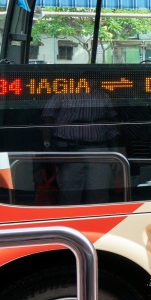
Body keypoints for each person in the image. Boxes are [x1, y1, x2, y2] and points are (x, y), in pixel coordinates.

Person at [41, 72, 118, 204]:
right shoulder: (63, 94)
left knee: (99, 195)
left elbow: (112, 124)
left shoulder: (103, 96)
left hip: (99, 150)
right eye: (88, 79)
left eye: (95, 79)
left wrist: (116, 150)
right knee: (69, 195)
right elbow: (47, 118)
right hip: (70, 150)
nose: (91, 82)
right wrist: (47, 145)